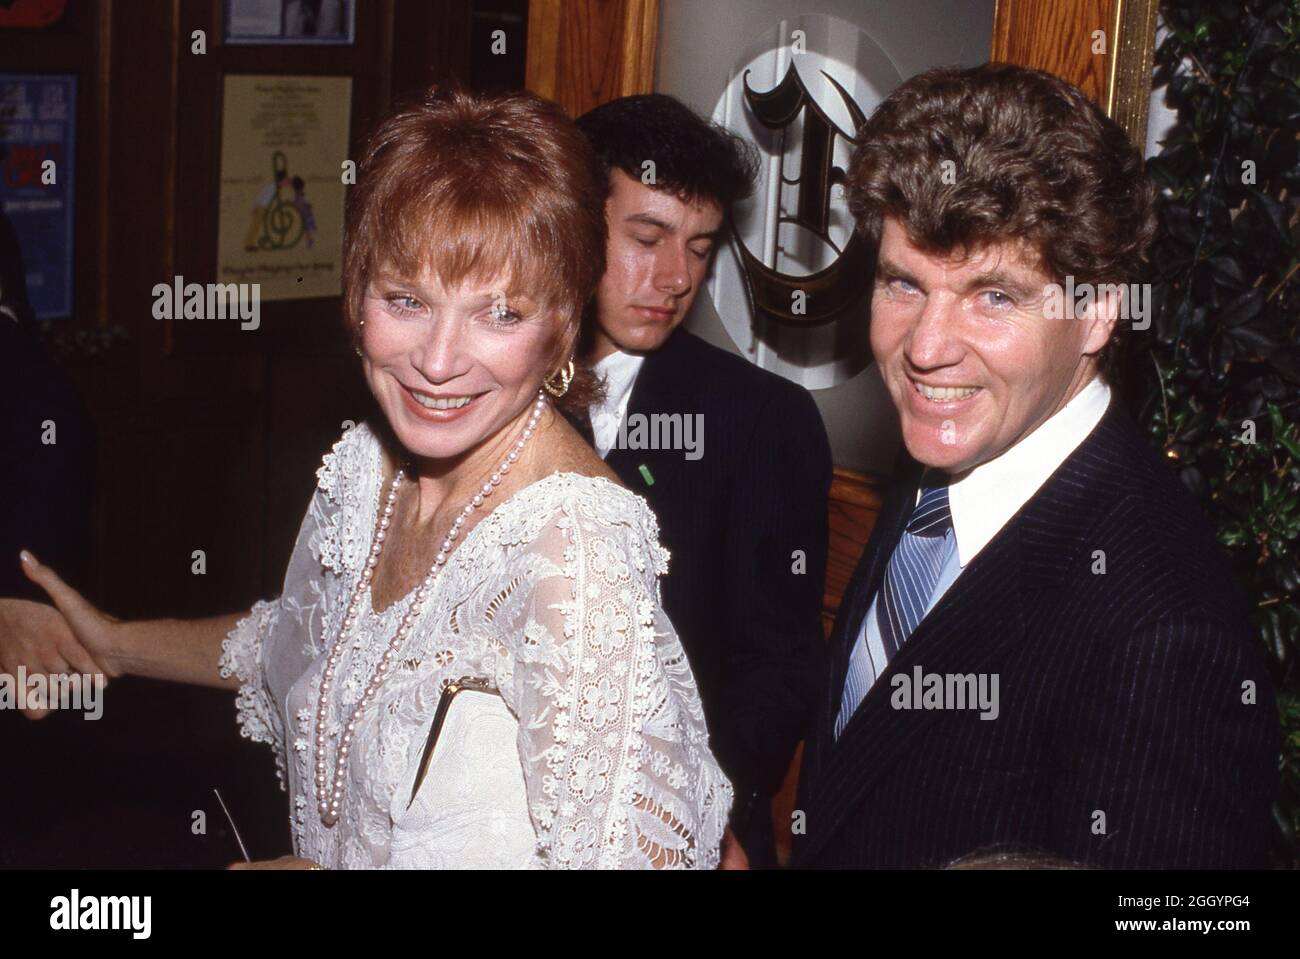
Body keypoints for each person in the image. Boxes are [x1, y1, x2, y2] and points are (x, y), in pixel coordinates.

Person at [0, 87, 732, 869]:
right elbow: (292, 643)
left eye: (502, 314)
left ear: (562, 330)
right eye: (407, 299)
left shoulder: (577, 554)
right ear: (356, 298)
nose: (439, 360)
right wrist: (115, 644)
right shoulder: (368, 466)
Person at [792, 64, 1279, 868]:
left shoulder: (1165, 637)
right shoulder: (951, 458)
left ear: (1096, 312)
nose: (925, 348)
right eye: (903, 283)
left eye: (994, 297)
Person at [574, 95, 831, 867]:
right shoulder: (496, 383)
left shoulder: (762, 418)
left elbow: (780, 666)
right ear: (574, 225)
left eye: (701, 246)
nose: (676, 276)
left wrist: (690, 809)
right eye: (646, 238)